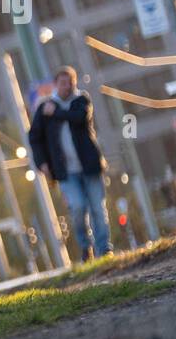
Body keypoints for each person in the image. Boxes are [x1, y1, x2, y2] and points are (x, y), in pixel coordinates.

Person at [27, 65, 112, 262]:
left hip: (90, 166)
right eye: (63, 83)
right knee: (79, 207)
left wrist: (55, 112)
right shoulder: (43, 108)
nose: (67, 87)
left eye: (70, 83)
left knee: (98, 208)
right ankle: (85, 246)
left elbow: (79, 118)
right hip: (65, 171)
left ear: (75, 84)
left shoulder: (81, 101)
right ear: (55, 84)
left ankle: (104, 249)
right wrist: (42, 163)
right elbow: (35, 138)